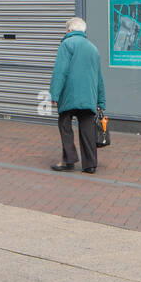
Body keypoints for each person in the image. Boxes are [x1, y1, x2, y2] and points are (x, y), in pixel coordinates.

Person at [49, 17, 105, 174]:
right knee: (87, 129)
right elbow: (99, 77)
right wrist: (101, 100)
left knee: (64, 124)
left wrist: (54, 94)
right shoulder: (93, 48)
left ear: (70, 30)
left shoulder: (66, 44)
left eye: (67, 29)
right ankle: (90, 165)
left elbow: (60, 71)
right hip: (89, 97)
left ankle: (69, 160)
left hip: (69, 95)